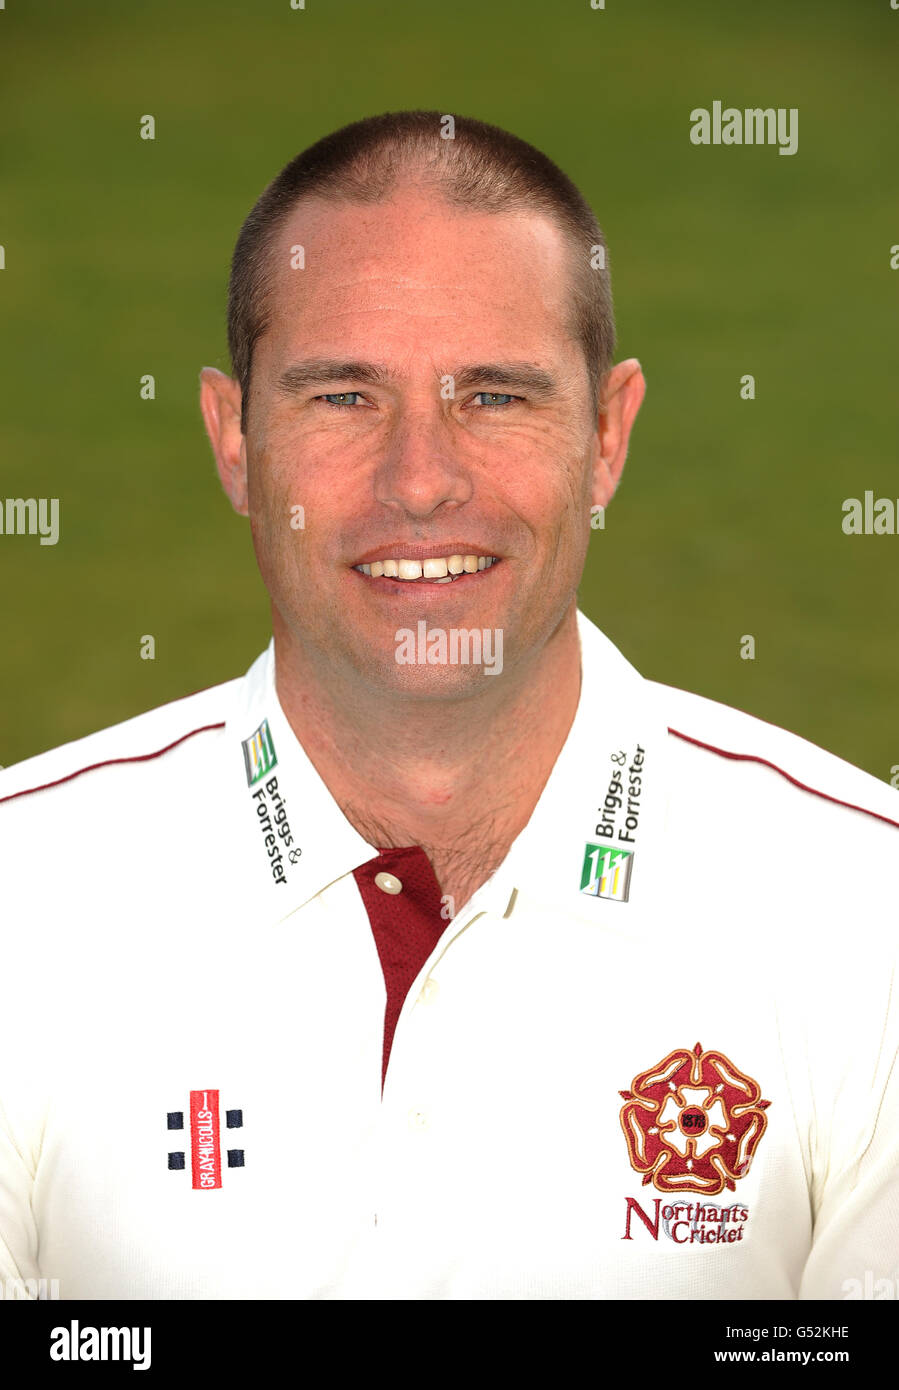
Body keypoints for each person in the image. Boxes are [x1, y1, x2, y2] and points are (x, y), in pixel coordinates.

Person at [1, 110, 897, 1302]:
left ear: (607, 437)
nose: (419, 480)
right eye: (340, 398)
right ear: (232, 438)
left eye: (491, 396)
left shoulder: (864, 918)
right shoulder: (24, 897)